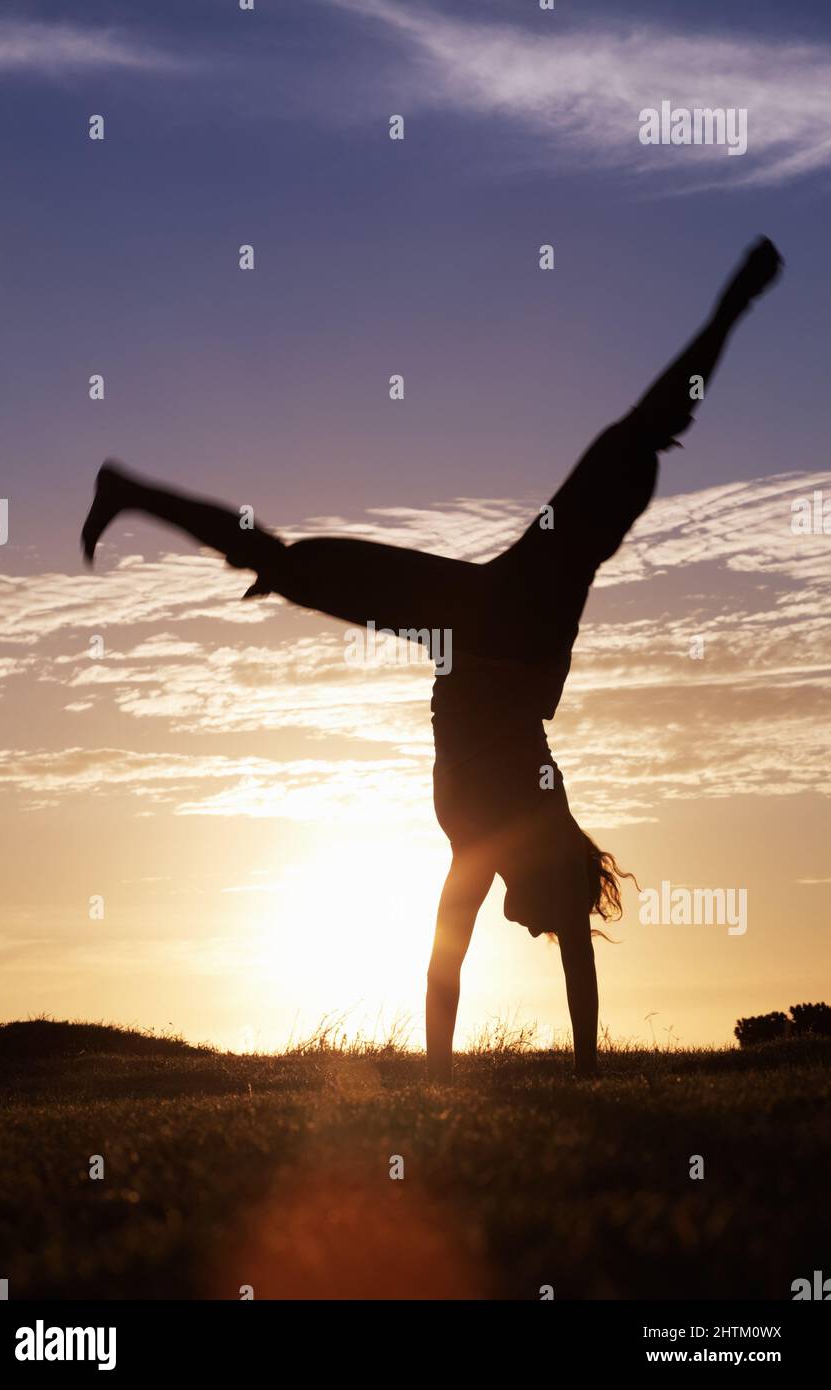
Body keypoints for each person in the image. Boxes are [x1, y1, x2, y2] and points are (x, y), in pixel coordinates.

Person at [81, 237, 782, 1082]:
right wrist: (554, 1071)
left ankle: (129, 490)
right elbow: (473, 965)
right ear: (549, 887)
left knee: (291, 564)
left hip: (478, 625)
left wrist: (473, 1078)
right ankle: (733, 307)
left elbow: (473, 967)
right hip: (506, 627)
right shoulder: (500, 843)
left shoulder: (497, 850)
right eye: (542, 922)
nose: (526, 931)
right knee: (638, 440)